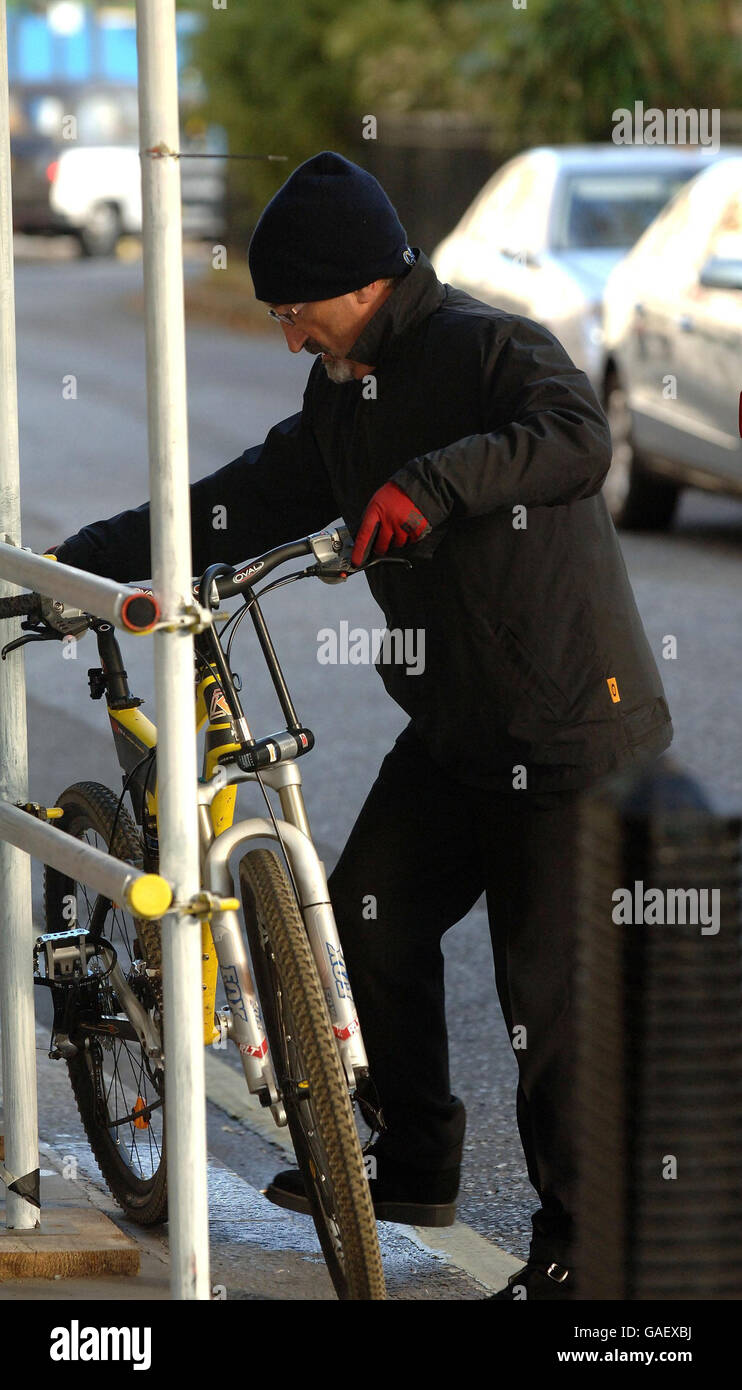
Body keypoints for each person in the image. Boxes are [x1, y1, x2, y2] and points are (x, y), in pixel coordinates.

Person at [51, 151, 673, 1299]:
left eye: (293, 311)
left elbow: (576, 438)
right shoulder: (341, 395)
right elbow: (235, 501)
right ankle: (417, 1161)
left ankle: (581, 1255)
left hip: (568, 730)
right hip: (451, 730)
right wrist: (67, 571)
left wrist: (435, 484)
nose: (290, 337)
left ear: (357, 282)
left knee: (551, 1002)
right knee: (373, 925)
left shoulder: (493, 347)